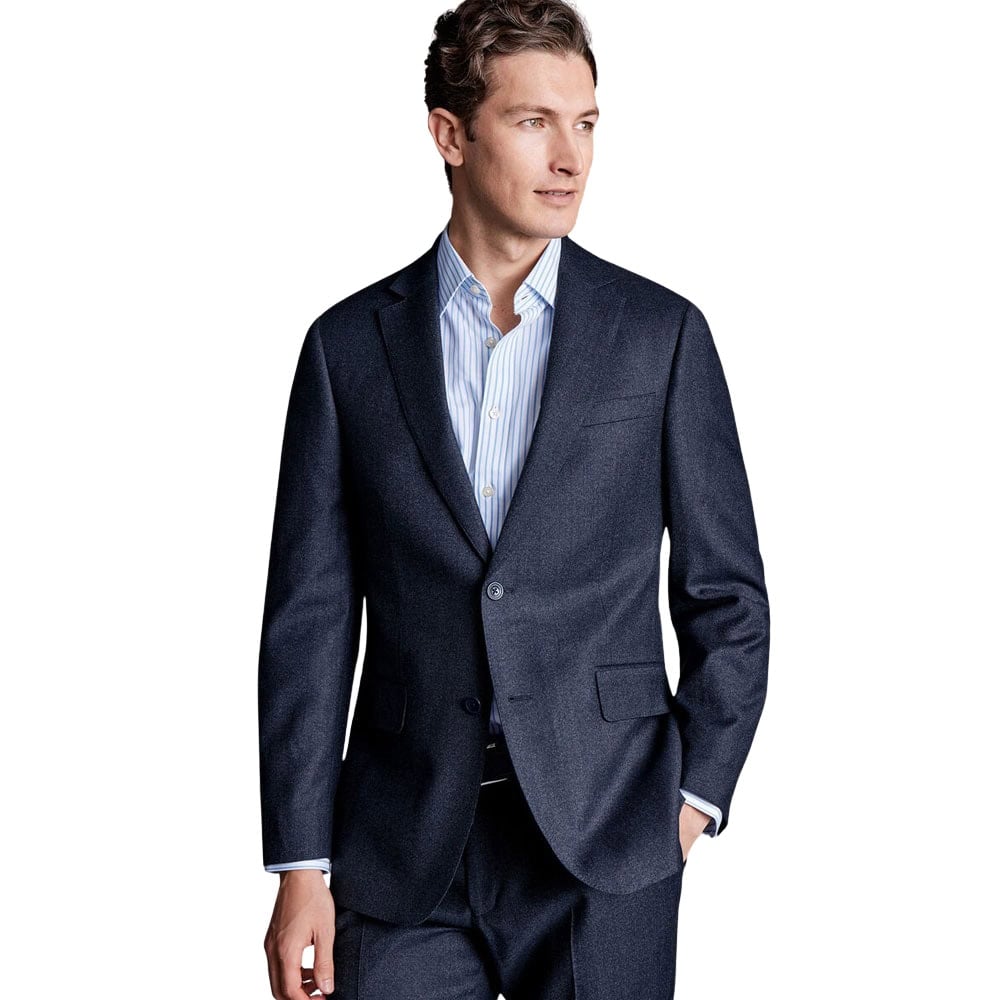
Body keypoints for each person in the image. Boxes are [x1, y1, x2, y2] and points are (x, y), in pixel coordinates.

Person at [258, 1, 769, 997]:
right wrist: (300, 864)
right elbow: (308, 623)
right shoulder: (347, 349)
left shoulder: (659, 337)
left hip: (606, 836)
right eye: (533, 121)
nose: (569, 157)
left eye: (585, 123)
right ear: (450, 133)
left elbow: (728, 596)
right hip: (402, 847)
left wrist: (693, 798)